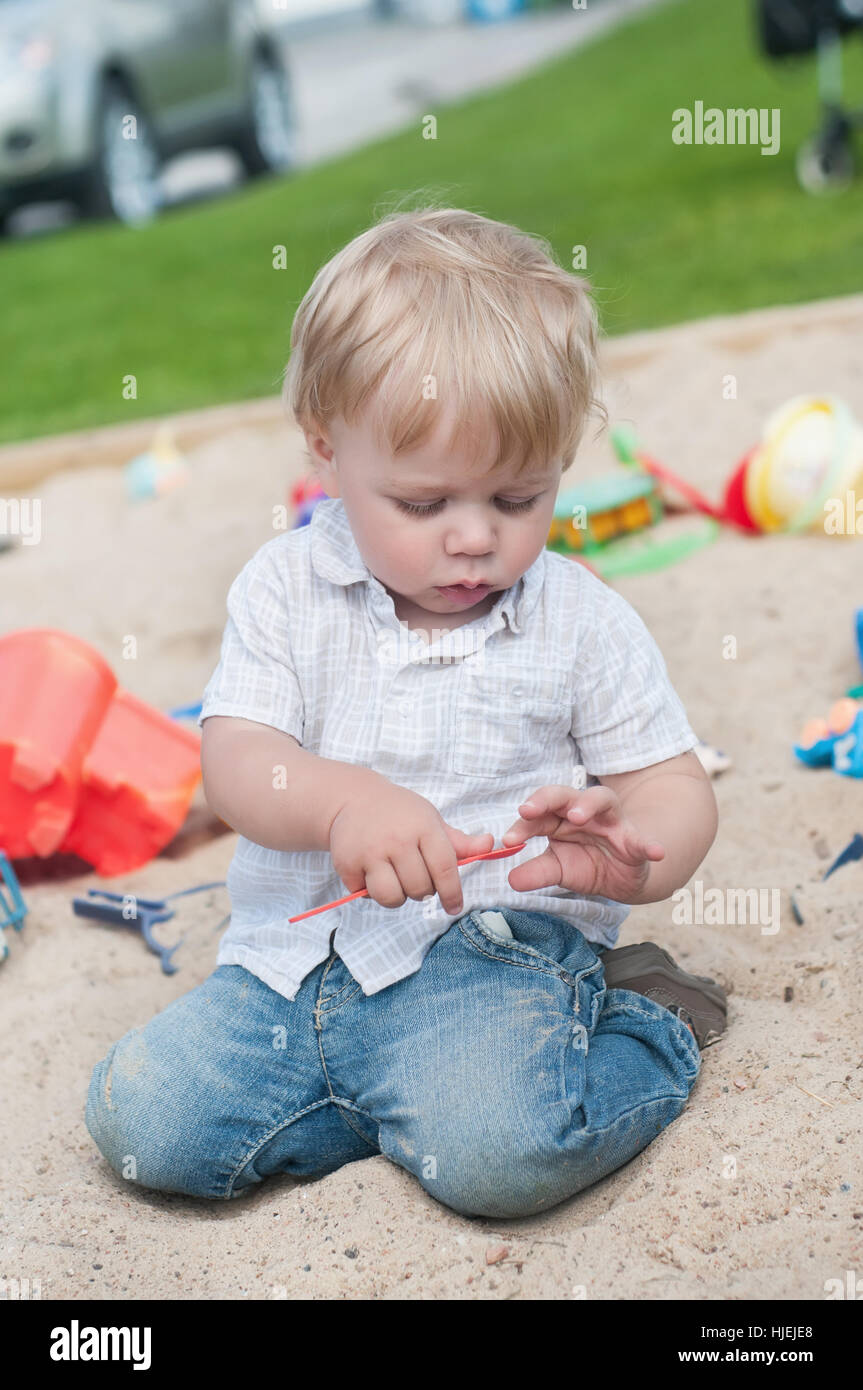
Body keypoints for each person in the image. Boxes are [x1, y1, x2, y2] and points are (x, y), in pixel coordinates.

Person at [86, 205, 726, 1219]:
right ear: (325, 450)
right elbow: (238, 760)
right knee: (141, 1121)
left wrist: (640, 849)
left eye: (518, 499)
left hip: (489, 962)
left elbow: (670, 783)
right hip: (289, 968)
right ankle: (381, 1105)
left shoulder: (579, 622)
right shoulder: (282, 589)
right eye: (424, 505)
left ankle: (643, 1021)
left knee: (503, 1159)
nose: (473, 538)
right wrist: (339, 803)